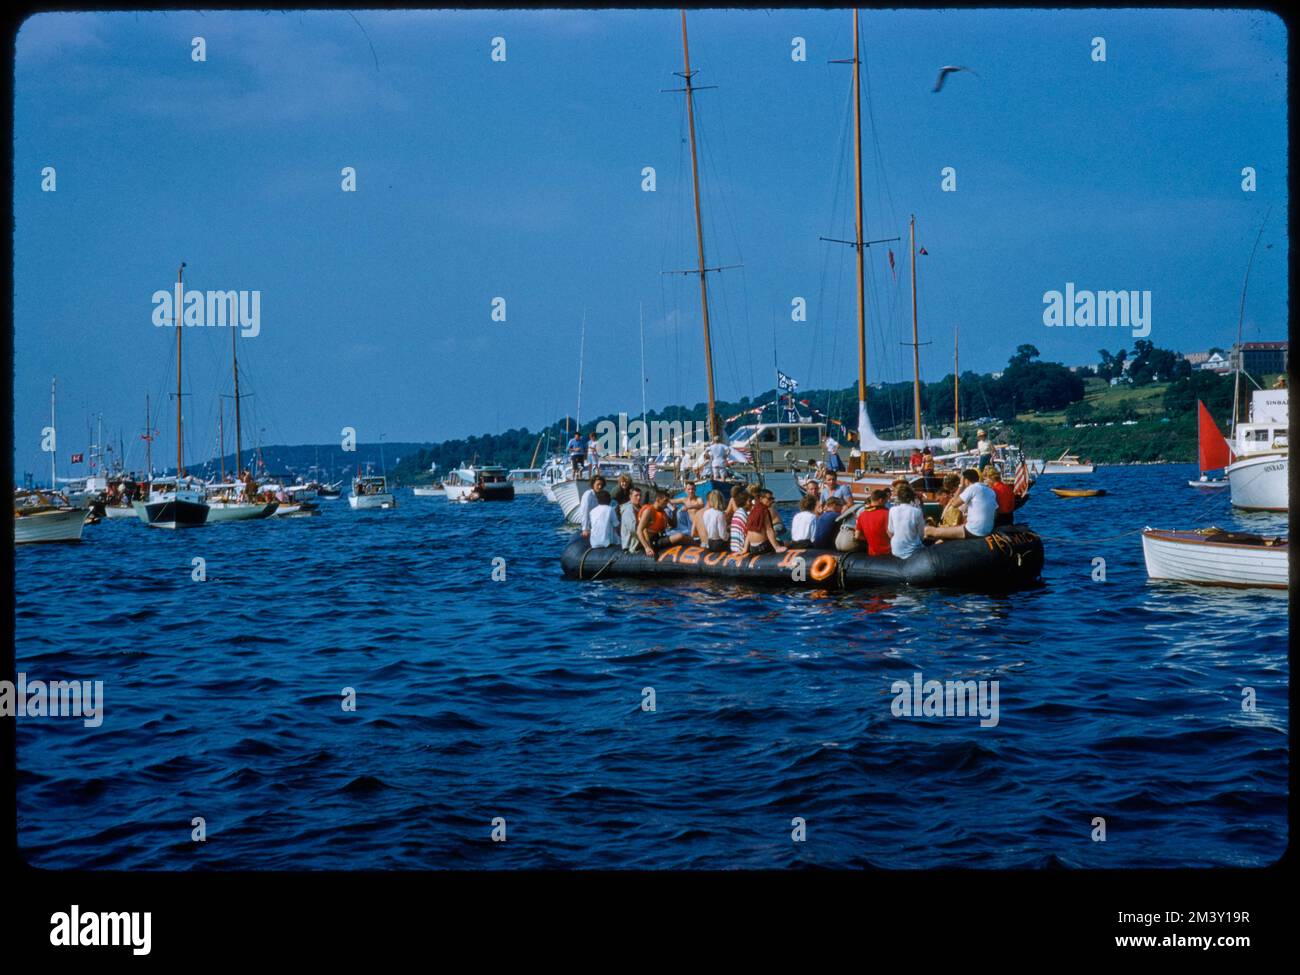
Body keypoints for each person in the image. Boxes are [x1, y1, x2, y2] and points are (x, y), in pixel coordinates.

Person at [925, 468, 996, 540]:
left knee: (932, 531)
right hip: (988, 530)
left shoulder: (972, 488)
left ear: (966, 480)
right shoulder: (990, 491)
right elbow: (995, 511)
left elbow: (954, 504)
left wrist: (961, 486)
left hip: (974, 531)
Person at [887, 482, 927, 558]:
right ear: (911, 497)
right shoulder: (917, 511)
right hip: (912, 551)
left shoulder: (892, 510)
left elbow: (891, 531)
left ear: (898, 497)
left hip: (896, 549)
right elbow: (922, 534)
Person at [743, 489, 787, 555]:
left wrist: (745, 549)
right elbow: (769, 530)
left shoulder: (753, 511)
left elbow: (749, 532)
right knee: (784, 543)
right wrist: (777, 548)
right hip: (762, 547)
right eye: (769, 498)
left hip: (752, 548)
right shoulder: (764, 511)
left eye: (772, 498)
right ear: (761, 498)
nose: (772, 501)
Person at [855, 489, 892, 556]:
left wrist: (870, 539)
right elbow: (891, 534)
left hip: (872, 555)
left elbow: (857, 536)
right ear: (881, 500)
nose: (886, 504)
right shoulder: (887, 513)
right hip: (888, 553)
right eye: (886, 501)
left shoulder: (862, 515)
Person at [620, 487, 643, 552]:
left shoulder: (640, 508)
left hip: (638, 541)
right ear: (630, 496)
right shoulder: (628, 510)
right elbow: (633, 529)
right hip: (631, 545)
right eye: (636, 495)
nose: (639, 498)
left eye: (640, 495)